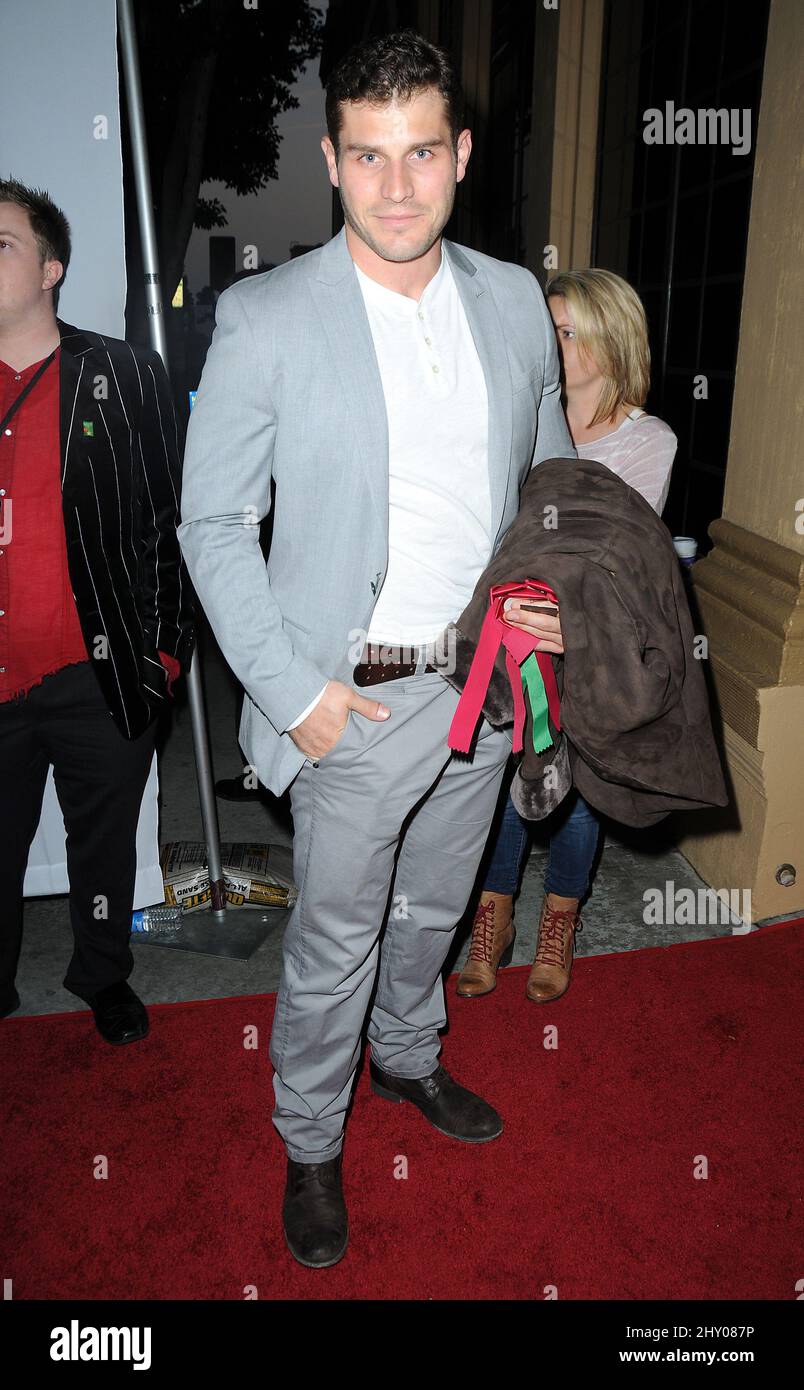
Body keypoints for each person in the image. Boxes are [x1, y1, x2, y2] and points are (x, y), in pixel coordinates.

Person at [178, 29, 576, 1269]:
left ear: (459, 156)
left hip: (490, 688)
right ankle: (310, 1137)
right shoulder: (264, 317)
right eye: (367, 156)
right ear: (332, 160)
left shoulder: (514, 299)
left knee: (436, 910)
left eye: (420, 154)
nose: (396, 187)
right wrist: (295, 693)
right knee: (334, 940)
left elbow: (550, 478)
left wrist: (555, 590)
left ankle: (407, 1061)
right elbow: (213, 522)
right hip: (352, 697)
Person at [0, 179, 194, 1043]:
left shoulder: (120, 374)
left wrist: (167, 656)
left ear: (52, 267)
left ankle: (101, 975)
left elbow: (172, 520)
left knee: (103, 842)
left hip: (99, 668)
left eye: (1, 243)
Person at [457, 268, 678, 1005]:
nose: (552, 343)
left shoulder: (648, 441)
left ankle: (559, 917)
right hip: (512, 627)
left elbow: (616, 556)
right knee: (506, 777)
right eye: (548, 328)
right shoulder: (518, 419)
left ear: (610, 342)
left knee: (580, 783)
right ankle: (494, 916)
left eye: (567, 330)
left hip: (591, 639)